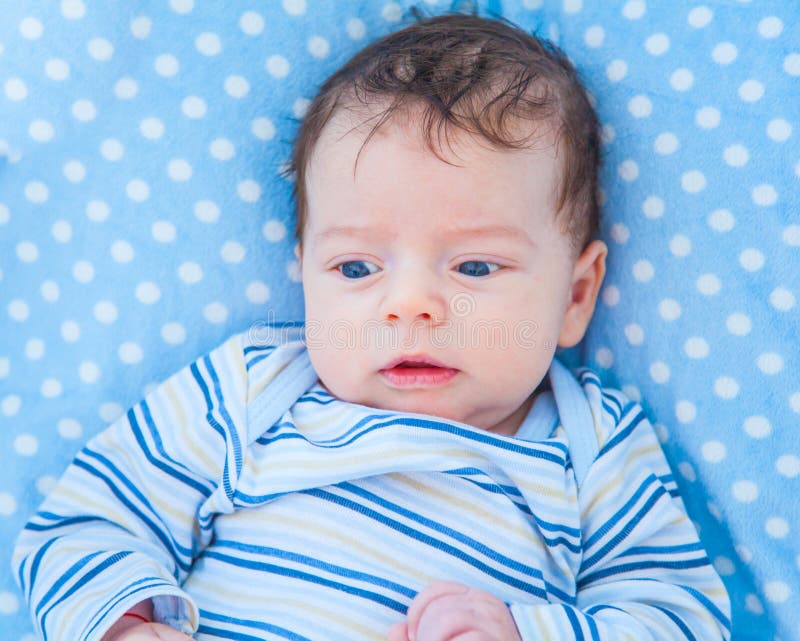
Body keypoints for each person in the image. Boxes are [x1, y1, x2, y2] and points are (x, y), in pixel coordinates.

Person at [13, 12, 730, 641]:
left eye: (476, 267)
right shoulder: (252, 387)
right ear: (304, 272)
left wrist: (525, 628)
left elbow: (681, 614)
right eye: (356, 269)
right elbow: (83, 522)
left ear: (575, 295)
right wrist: (125, 625)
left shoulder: (595, 446)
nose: (408, 306)